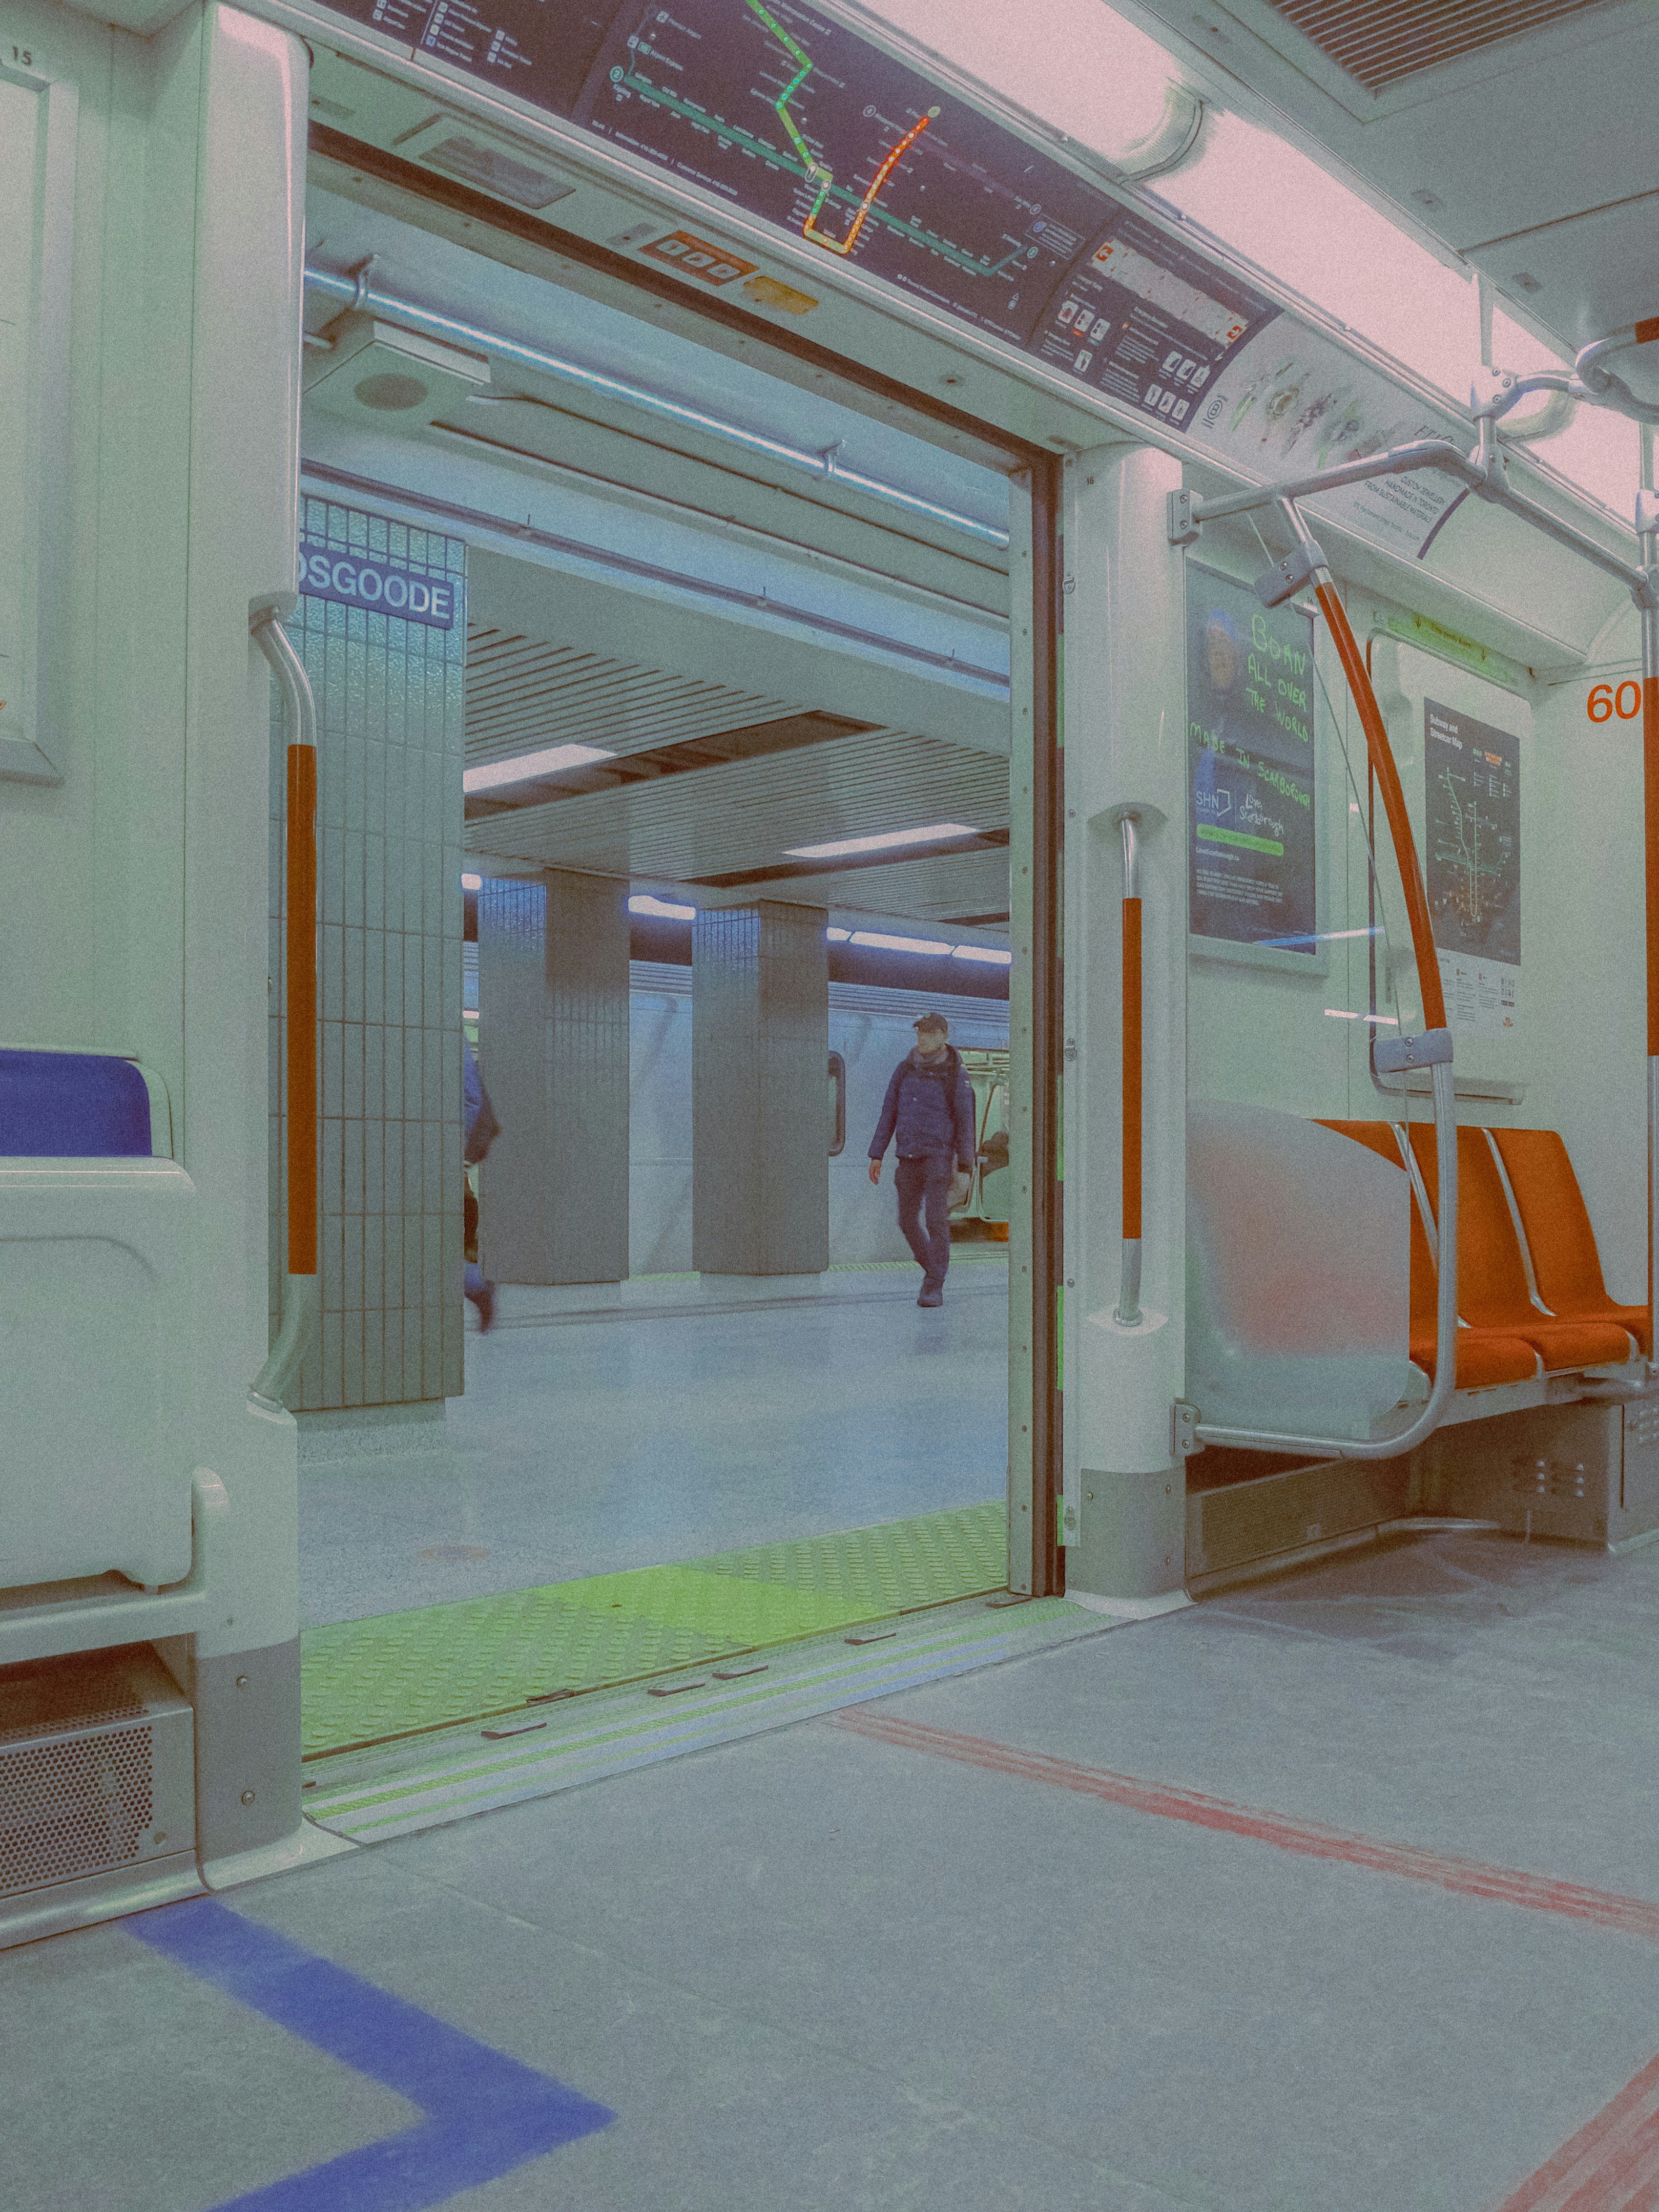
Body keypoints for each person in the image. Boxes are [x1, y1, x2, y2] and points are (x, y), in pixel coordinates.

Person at [867, 1012, 975, 1308]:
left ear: (944, 1036)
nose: (922, 1038)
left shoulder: (955, 1073)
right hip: (908, 1157)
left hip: (938, 1159)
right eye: (919, 1033)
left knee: (936, 1221)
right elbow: (888, 1112)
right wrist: (876, 1154)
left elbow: (966, 1121)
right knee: (906, 1220)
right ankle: (935, 1271)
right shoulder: (904, 1070)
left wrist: (965, 1166)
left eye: (929, 1033)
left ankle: (933, 1287)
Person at [463, 1034, 500, 1331]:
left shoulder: (449, 1037)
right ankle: (478, 1289)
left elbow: (471, 1099)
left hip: (449, 1167)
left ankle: (479, 1289)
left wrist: (457, 1149)